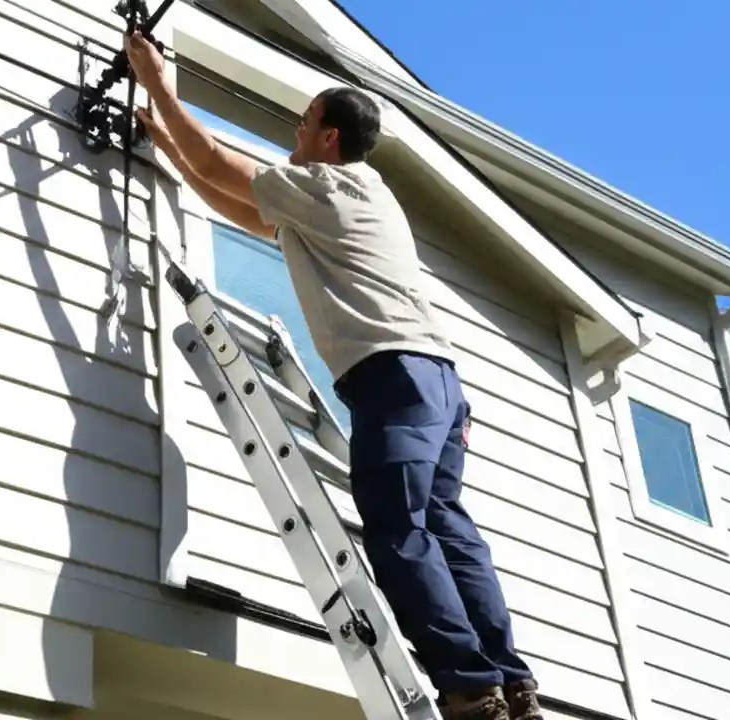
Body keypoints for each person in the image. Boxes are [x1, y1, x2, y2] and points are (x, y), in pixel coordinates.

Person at [124, 31, 544, 720]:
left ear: (327, 139)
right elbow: (235, 202)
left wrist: (160, 83)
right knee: (446, 526)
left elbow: (218, 163)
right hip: (436, 380)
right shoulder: (349, 197)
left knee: (396, 529)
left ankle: (469, 687)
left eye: (302, 122)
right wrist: (166, 144)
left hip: (394, 376)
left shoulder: (326, 187)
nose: (294, 131)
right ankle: (508, 681)